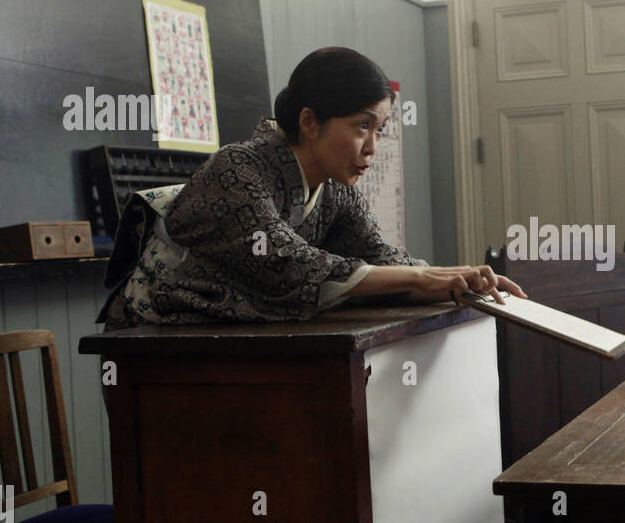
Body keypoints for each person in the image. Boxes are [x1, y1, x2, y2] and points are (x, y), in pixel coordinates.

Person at [99, 47, 523, 329]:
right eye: (362, 125)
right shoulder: (236, 169)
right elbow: (291, 265)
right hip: (156, 341)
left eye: (380, 129)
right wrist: (426, 276)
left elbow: (380, 260)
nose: (372, 147)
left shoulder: (337, 190)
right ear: (309, 121)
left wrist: (458, 281)